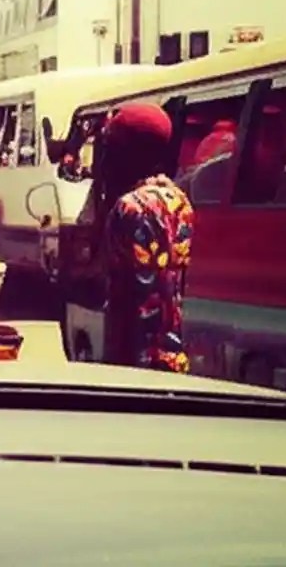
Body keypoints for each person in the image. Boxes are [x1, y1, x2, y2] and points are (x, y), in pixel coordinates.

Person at [96, 103, 195, 373]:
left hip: (133, 355)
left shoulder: (129, 207)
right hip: (172, 348)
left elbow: (128, 290)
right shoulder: (179, 199)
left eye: (111, 150)